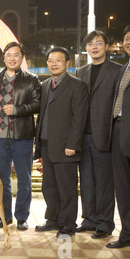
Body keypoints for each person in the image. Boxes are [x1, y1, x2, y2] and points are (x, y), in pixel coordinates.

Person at [34, 47, 88, 238]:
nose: (54, 63)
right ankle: (53, 219)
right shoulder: (46, 84)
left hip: (66, 147)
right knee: (49, 186)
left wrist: (72, 144)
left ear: (67, 63)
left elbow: (79, 118)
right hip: (47, 143)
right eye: (50, 60)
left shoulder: (77, 85)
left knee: (67, 188)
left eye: (58, 60)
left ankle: (67, 225)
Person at [0, 42, 41, 231]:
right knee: (2, 179)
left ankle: (22, 217)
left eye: (16, 55)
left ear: (22, 57)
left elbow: (37, 104)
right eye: (8, 54)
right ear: (4, 57)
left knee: (24, 179)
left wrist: (17, 109)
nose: (12, 58)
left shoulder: (32, 79)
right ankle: (5, 216)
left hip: (22, 137)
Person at [75, 30, 122, 239]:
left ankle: (105, 222)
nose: (94, 47)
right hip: (82, 135)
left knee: (104, 181)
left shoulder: (117, 71)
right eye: (90, 44)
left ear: (107, 46)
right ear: (86, 48)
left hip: (104, 134)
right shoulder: (80, 71)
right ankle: (89, 219)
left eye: (99, 43)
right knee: (86, 179)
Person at [107, 22, 130, 250]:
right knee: (125, 191)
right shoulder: (123, 69)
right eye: (126, 38)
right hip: (118, 133)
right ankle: (128, 235)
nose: (129, 42)